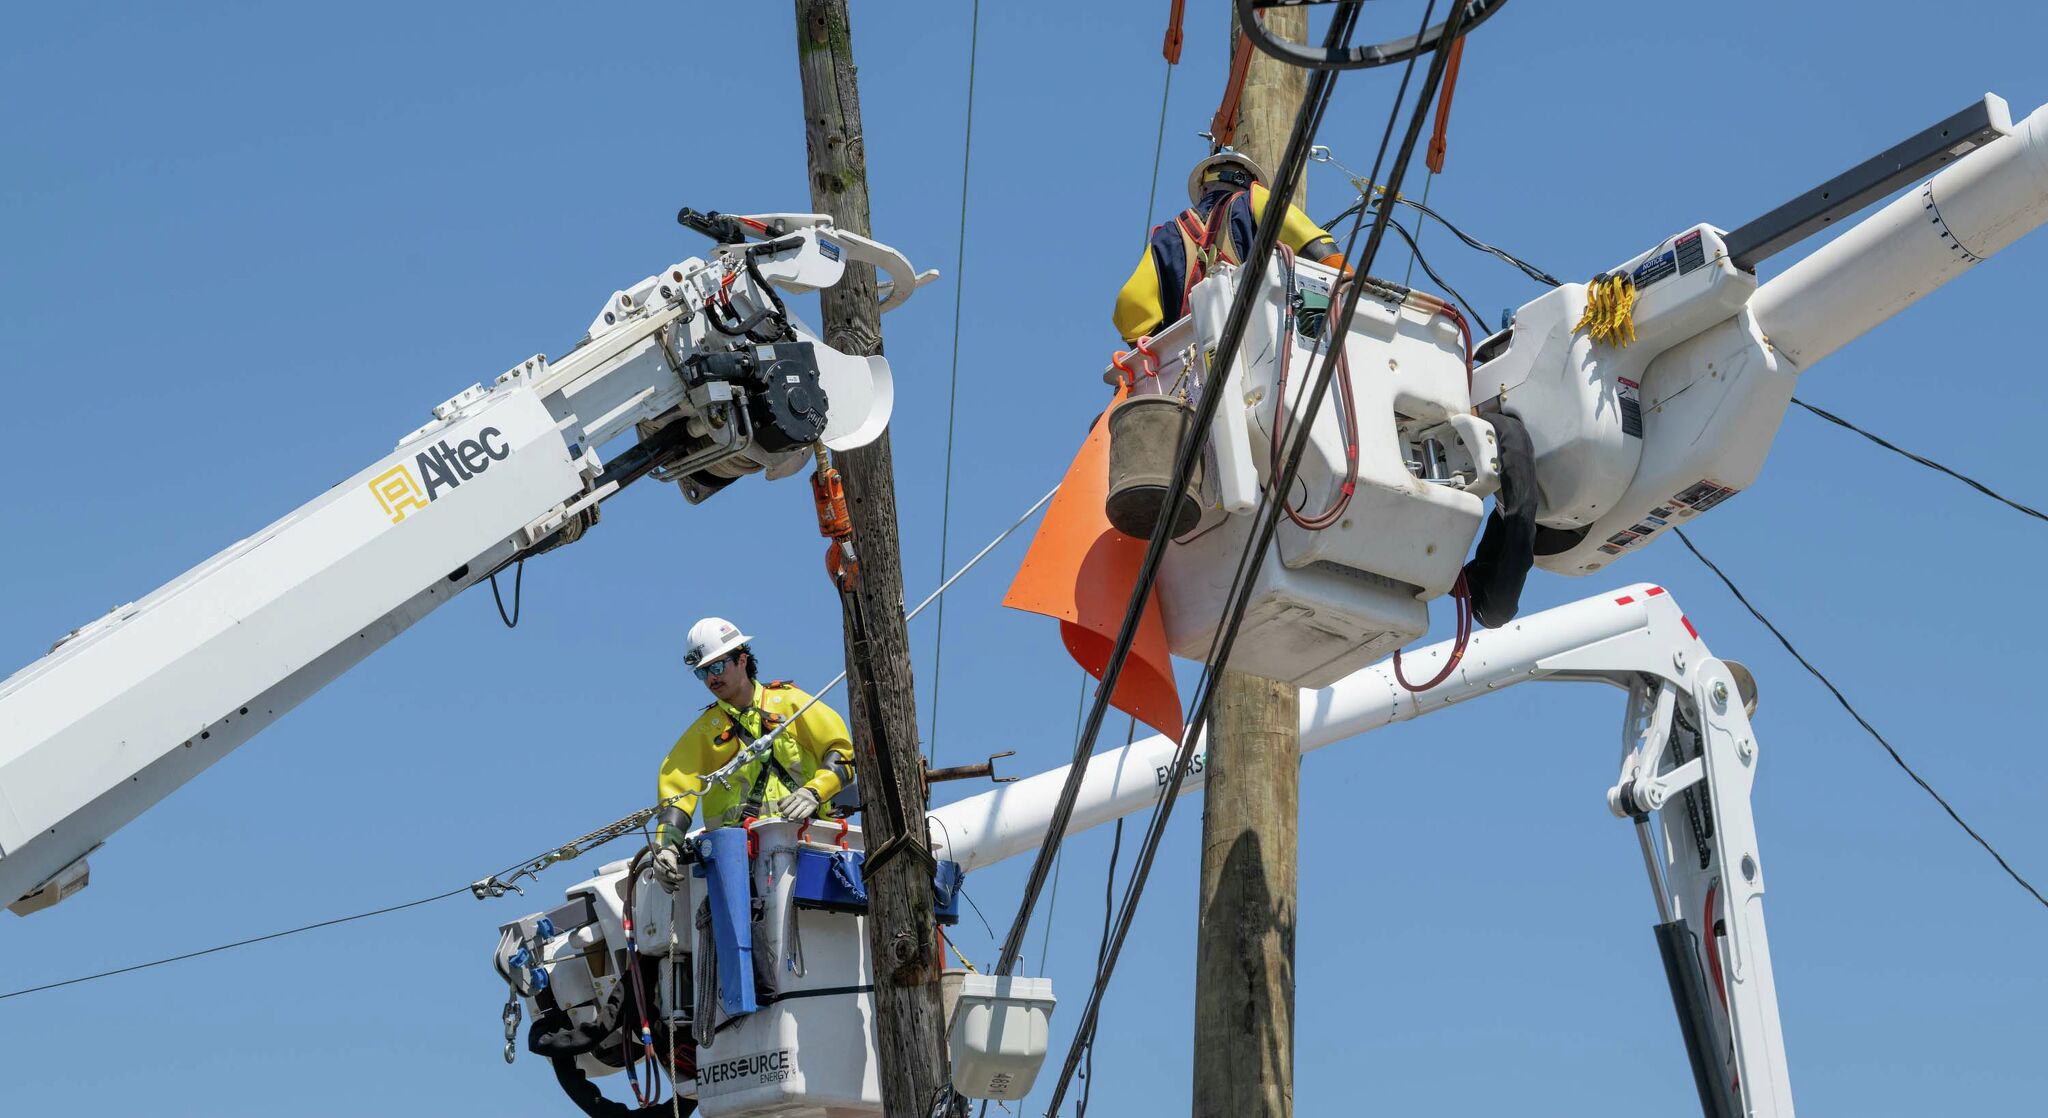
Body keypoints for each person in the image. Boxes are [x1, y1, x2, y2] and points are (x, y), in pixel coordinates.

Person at [1112, 150, 1349, 344]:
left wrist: (1155, 350)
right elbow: (1314, 244)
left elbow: (1131, 305)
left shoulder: (1167, 235)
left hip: (1193, 373)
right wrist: (1354, 289)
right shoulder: (1254, 199)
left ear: (1204, 189)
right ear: (1250, 183)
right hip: (1263, 344)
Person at [654, 617, 855, 844]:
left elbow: (842, 752)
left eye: (717, 667)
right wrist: (667, 845)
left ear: (741, 660)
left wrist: (815, 791)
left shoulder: (791, 704)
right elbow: (676, 794)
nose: (711, 678)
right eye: (702, 672)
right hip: (737, 858)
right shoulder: (704, 732)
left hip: (808, 841)